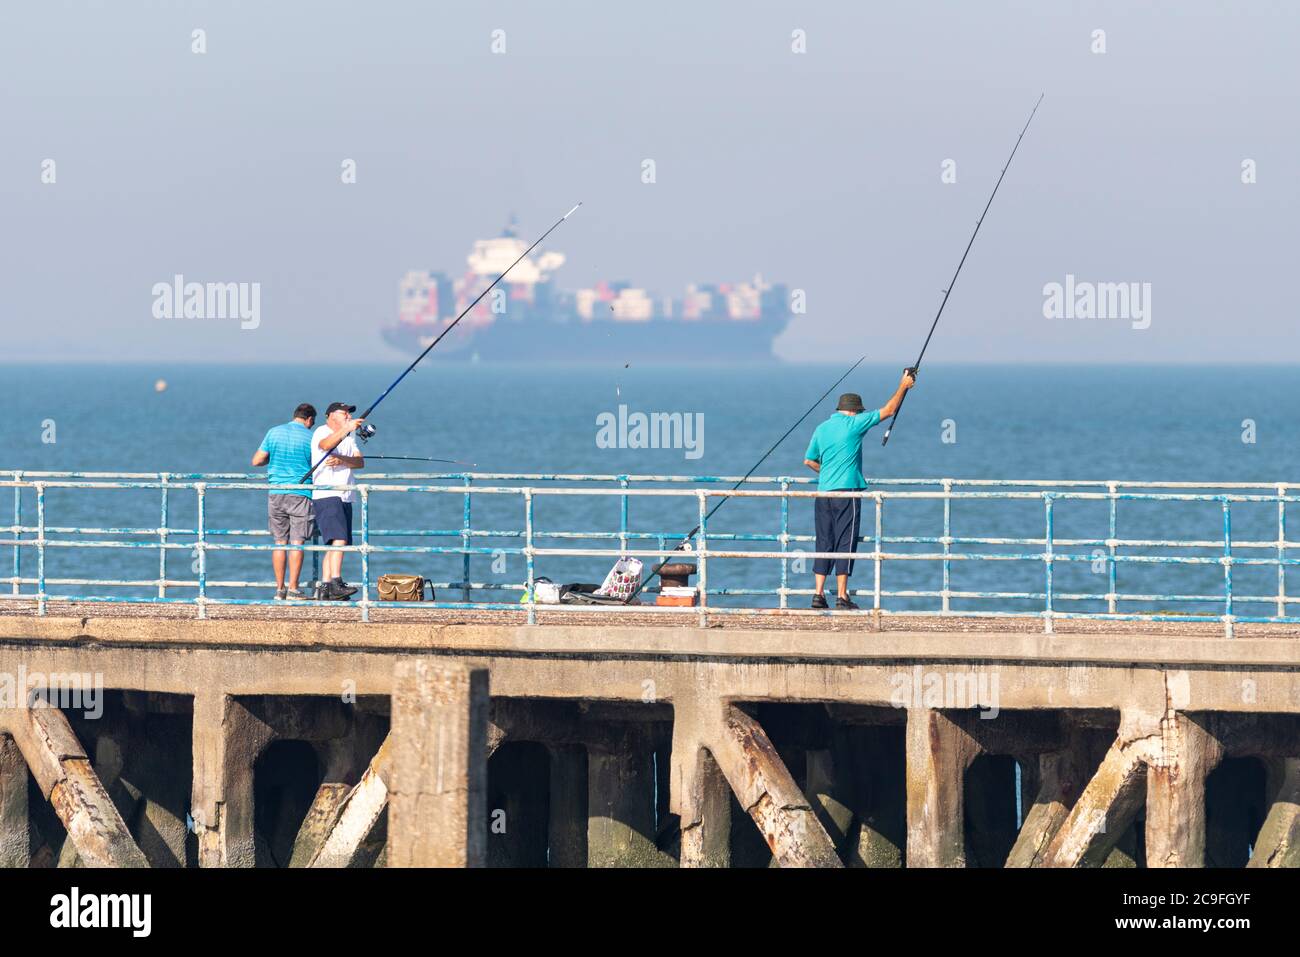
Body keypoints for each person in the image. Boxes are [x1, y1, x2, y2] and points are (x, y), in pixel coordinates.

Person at [803, 369, 916, 610]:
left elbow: (809, 461)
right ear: (854, 411)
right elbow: (888, 410)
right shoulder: (854, 424)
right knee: (846, 541)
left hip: (823, 494)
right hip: (848, 494)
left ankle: (818, 594)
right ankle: (842, 596)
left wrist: (828, 474)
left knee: (824, 541)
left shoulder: (822, 428)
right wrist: (903, 385)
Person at [252, 403, 317, 600]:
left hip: (276, 492)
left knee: (280, 542)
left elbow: (257, 460)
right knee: (297, 542)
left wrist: (272, 461)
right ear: (309, 420)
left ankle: (279, 589)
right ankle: (293, 588)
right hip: (300, 492)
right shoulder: (311, 437)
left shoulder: (274, 432)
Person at [310, 402, 366, 601]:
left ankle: (325, 587)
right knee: (339, 537)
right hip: (327, 492)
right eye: (344, 413)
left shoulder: (349, 436)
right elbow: (325, 445)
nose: (348, 417)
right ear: (331, 415)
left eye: (349, 415)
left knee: (335, 541)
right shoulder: (321, 431)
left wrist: (342, 460)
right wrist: (346, 429)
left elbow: (360, 462)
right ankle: (336, 581)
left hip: (345, 494)